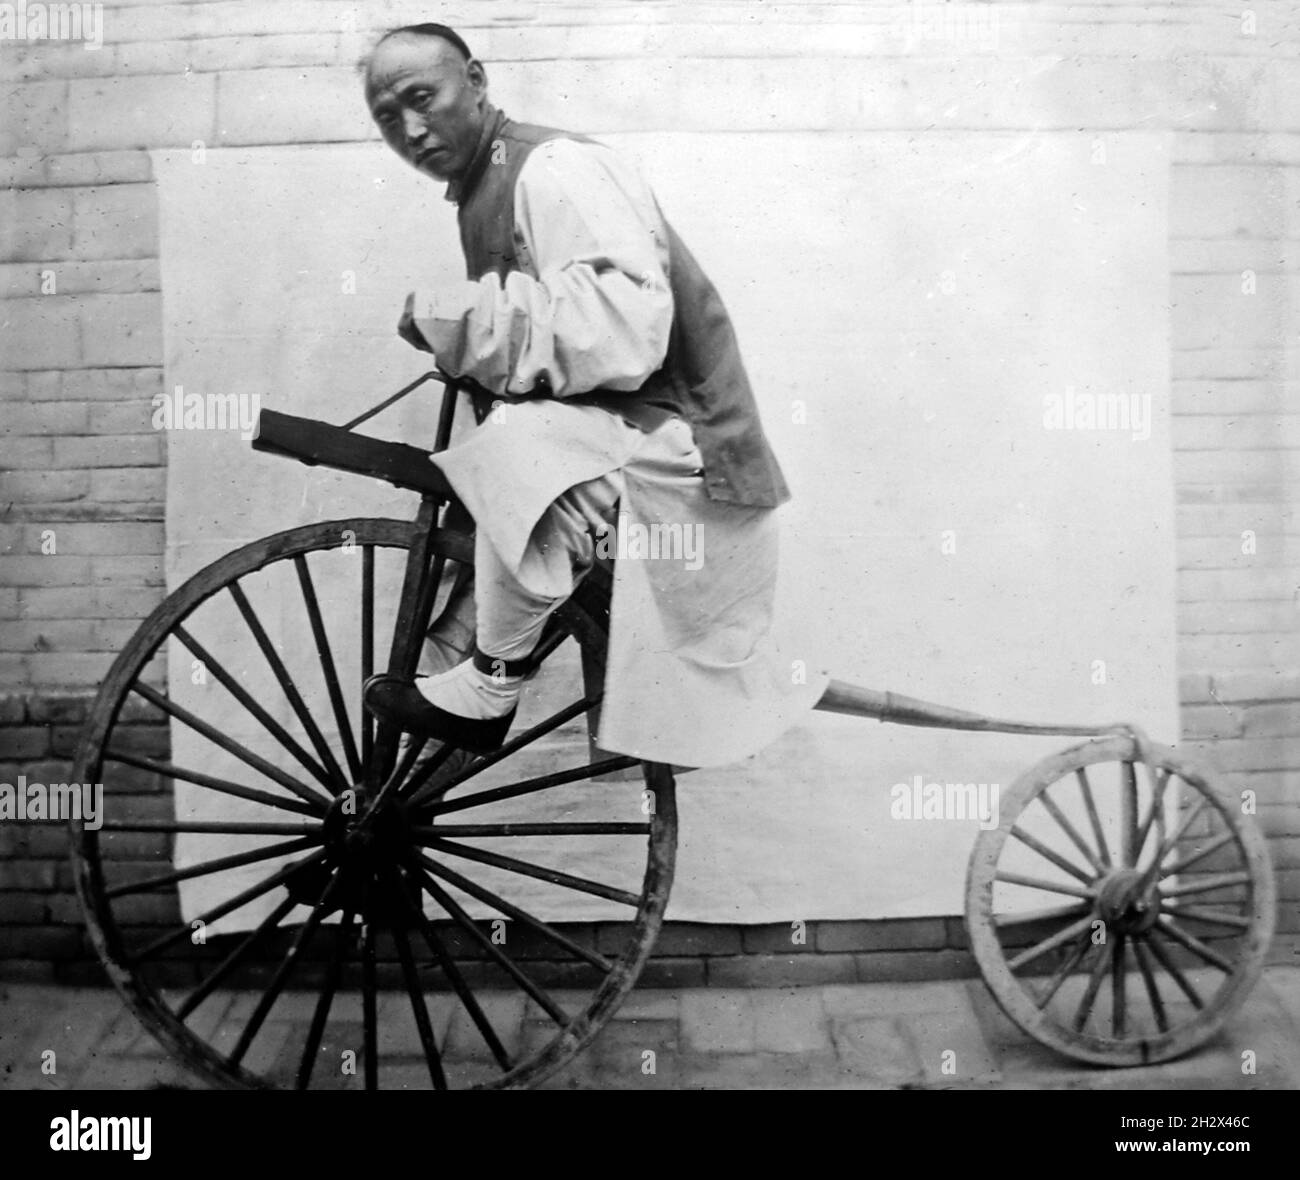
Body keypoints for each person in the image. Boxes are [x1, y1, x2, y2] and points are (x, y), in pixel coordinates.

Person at [360, 22, 827, 768]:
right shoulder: (484, 188)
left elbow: (625, 331)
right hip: (630, 441)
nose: (411, 129)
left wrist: (464, 319)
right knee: (491, 491)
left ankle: (492, 685)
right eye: (388, 118)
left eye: (423, 97)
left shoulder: (554, 169)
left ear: (476, 81)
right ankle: (422, 747)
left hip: (683, 447)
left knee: (514, 451)